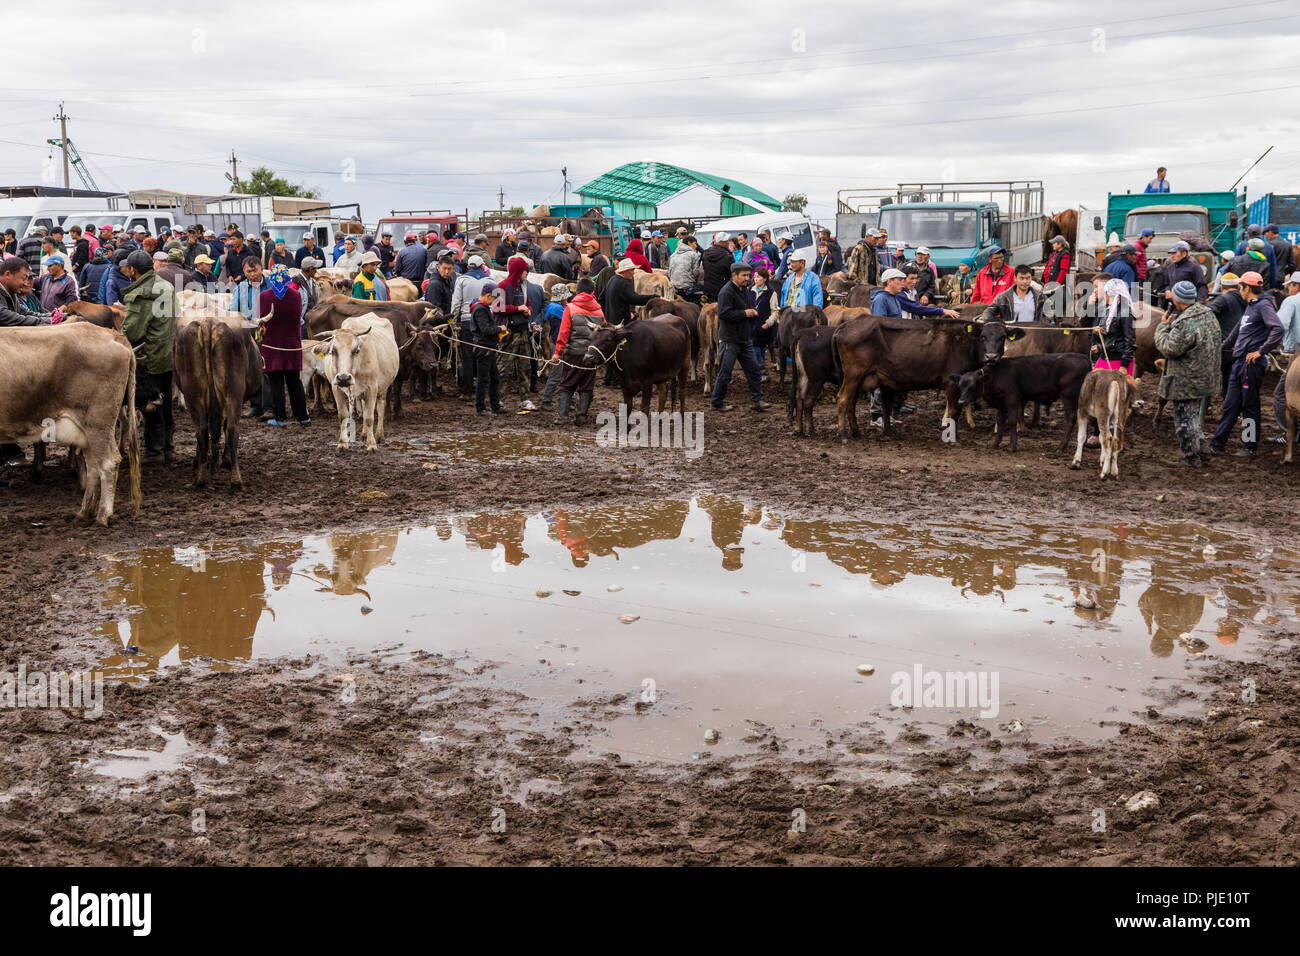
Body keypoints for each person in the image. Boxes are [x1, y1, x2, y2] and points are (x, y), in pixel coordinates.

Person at [1210, 271, 1283, 457]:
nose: (1238, 289)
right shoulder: (1252, 305)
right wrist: (1220, 348)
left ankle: (1249, 446)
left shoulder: (1264, 306)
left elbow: (1278, 328)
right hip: (1239, 362)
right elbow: (1237, 332)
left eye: (1240, 286)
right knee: (1230, 404)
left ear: (1247, 288)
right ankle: (1217, 444)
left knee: (1249, 405)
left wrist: (1261, 351)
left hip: (1251, 365)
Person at [1155, 280, 1222, 466]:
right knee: (1192, 415)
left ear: (1178, 300)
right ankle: (1202, 449)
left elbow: (1169, 348)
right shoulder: (1208, 314)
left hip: (1186, 379)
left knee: (1184, 418)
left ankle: (1192, 457)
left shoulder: (1185, 323)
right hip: (1206, 375)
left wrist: (1163, 327)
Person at [119, 250, 178, 462]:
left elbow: (132, 332)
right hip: (166, 354)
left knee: (150, 403)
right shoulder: (167, 286)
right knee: (165, 401)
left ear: (133, 270)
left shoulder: (142, 293)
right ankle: (168, 447)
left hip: (147, 357)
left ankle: (154, 451)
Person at [256, 264, 310, 427]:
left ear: (272, 278)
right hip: (292, 344)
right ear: (287, 277)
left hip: (272, 345)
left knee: (276, 382)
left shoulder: (264, 296)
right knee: (295, 381)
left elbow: (261, 319)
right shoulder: (296, 296)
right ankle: (303, 417)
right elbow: (298, 317)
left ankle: (280, 418)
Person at [711, 261, 769, 413]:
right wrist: (745, 313)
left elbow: (746, 308)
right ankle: (717, 401)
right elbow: (723, 314)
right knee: (725, 372)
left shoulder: (743, 289)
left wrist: (751, 312)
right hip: (730, 339)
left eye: (748, 275)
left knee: (754, 370)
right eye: (743, 275)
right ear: (734, 275)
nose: (747, 278)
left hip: (744, 338)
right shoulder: (726, 292)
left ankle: (757, 400)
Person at [551, 277, 606, 425]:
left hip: (573, 353)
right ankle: (581, 415)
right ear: (592, 292)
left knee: (567, 384)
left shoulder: (570, 308)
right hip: (592, 355)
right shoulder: (599, 310)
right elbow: (603, 334)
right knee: (587, 385)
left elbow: (563, 333)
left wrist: (557, 353)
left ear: (576, 291)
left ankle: (562, 417)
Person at [497, 256, 536, 405]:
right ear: (518, 271)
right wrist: (518, 308)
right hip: (509, 333)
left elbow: (529, 304)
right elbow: (496, 308)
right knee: (504, 367)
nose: (527, 273)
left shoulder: (523, 286)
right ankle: (498, 398)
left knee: (524, 366)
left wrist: (528, 310)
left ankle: (524, 398)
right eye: (524, 270)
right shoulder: (501, 286)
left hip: (523, 331)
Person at [451, 255, 492, 398]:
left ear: (468, 267)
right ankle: (485, 387)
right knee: (485, 354)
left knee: (467, 356)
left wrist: (453, 320)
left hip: (467, 320)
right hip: (485, 321)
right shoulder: (489, 280)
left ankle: (467, 390)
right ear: (482, 267)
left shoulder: (461, 280)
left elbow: (456, 302)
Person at [1269, 271, 1300, 444]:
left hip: (1296, 356)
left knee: (1281, 394)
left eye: (1289, 287)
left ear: (1296, 286)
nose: (1288, 290)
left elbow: (1279, 325)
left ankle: (1288, 433)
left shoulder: (1291, 301)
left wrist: (1267, 344)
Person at [1087, 276, 1137, 376]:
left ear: (1109, 293)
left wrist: (1124, 365)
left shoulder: (1126, 313)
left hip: (1118, 361)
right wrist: (1100, 332)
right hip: (1106, 357)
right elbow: (1112, 335)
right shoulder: (1108, 310)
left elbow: (1130, 341)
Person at [471, 281, 507, 416]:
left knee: (494, 377)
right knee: (483, 379)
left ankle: (495, 405)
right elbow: (485, 329)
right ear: (487, 296)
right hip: (483, 347)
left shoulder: (482, 307)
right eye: (493, 298)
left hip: (489, 347)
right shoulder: (480, 309)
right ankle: (480, 408)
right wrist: (500, 328)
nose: (493, 302)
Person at [871, 268, 960, 319]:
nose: (902, 283)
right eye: (900, 280)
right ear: (889, 282)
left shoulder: (894, 297)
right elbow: (879, 324)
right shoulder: (881, 299)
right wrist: (942, 311)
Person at [1209, 272, 1245, 396]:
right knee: (1231, 381)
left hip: (1223, 347)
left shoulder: (1223, 299)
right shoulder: (1246, 298)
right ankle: (1229, 407)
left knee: (1209, 377)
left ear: (1222, 287)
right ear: (1239, 286)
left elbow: (1208, 313)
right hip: (1241, 347)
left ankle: (1206, 406)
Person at [539, 283, 573, 411]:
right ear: (562, 298)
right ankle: (547, 401)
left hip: (555, 343)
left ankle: (568, 401)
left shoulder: (551, 307)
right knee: (560, 375)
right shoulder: (560, 310)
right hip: (561, 344)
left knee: (561, 374)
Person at [978, 265, 1043, 324]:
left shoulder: (1040, 297)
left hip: (1034, 334)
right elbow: (990, 310)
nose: (1025, 282)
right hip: (1012, 333)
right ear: (1015, 278)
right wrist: (985, 317)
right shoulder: (1003, 297)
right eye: (1021, 278)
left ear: (1031, 278)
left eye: (1027, 278)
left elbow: (1048, 314)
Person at [603, 258, 658, 326]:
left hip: (610, 321)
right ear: (624, 271)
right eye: (632, 270)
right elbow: (635, 298)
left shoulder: (612, 279)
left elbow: (601, 298)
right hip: (620, 323)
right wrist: (655, 298)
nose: (633, 272)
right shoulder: (623, 283)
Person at [0, 258, 53, 326]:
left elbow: (27, 314)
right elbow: (16, 319)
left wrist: (59, 316)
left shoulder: (12, 295)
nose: (25, 283)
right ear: (8, 274)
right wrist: (51, 320)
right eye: (23, 278)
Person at [750, 266, 776, 380]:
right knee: (755, 349)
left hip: (764, 327)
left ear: (765, 278)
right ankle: (761, 372)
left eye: (758, 277)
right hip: (751, 327)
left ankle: (761, 371)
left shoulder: (771, 293)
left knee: (760, 349)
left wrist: (767, 324)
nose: (756, 279)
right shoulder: (750, 290)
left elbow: (775, 312)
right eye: (755, 277)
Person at [701, 233, 735, 301]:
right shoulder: (727, 256)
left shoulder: (706, 253)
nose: (728, 243)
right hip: (723, 289)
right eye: (727, 241)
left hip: (708, 289)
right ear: (722, 242)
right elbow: (733, 273)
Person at [296, 257, 323, 325]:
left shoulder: (312, 281)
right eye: (315, 268)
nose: (317, 270)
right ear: (311, 269)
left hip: (311, 321)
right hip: (302, 323)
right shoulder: (296, 283)